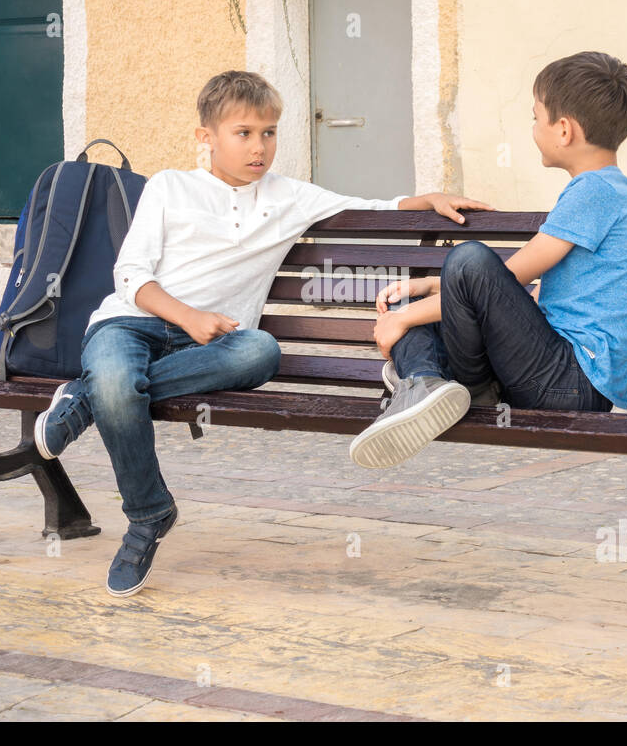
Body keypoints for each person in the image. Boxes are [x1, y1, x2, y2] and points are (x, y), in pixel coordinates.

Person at [33, 70, 493, 595]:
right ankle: (147, 515)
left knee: (261, 351)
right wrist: (187, 315)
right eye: (244, 132)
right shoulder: (170, 186)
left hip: (218, 345)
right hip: (129, 323)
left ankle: (84, 400)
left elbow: (372, 207)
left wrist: (426, 199)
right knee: (117, 379)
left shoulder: (289, 197)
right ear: (206, 138)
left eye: (269, 132)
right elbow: (130, 276)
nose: (260, 147)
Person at [349, 51, 627, 469]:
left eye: (535, 116)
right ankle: (423, 386)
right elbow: (512, 290)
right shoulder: (605, 191)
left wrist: (406, 317)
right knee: (417, 302)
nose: (532, 128)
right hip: (548, 371)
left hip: (572, 382)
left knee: (467, 261)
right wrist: (425, 290)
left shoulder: (595, 193)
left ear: (563, 130)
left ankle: (421, 381)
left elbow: (511, 274)